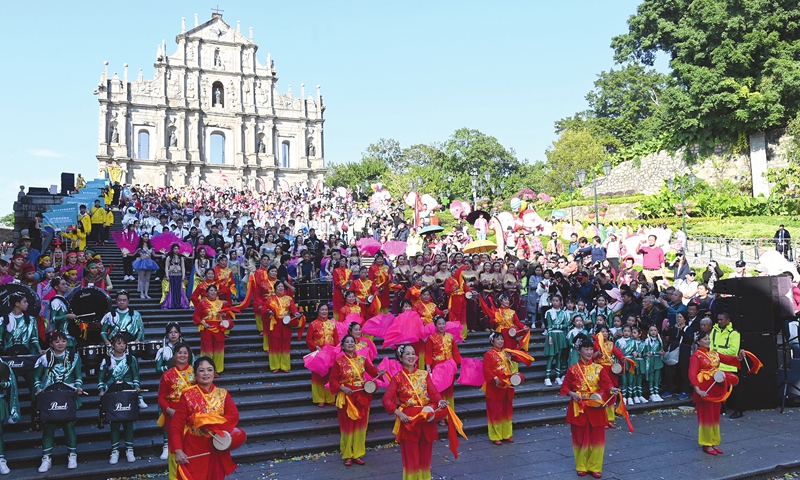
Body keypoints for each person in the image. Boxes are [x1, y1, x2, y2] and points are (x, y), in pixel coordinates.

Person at [382, 343, 451, 479]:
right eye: (407, 353)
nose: (411, 356)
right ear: (400, 358)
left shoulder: (424, 374)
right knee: (411, 458)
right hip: (409, 421)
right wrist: (399, 413)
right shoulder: (398, 377)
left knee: (425, 457)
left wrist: (440, 401)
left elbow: (434, 393)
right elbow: (386, 400)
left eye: (413, 353)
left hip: (426, 418)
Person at [171, 357, 240, 479]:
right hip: (194, 446)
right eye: (202, 370)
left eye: (209, 369)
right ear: (196, 374)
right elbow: (176, 425)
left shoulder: (223, 393)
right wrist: (178, 450)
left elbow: (233, 415)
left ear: (214, 373)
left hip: (216, 446)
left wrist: (210, 422)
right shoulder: (187, 395)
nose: (206, 373)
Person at [561, 333, 618, 478]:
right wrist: (572, 394)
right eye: (585, 349)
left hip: (596, 406)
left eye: (590, 349)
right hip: (579, 407)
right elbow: (565, 387)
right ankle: (581, 466)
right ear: (579, 351)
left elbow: (607, 383)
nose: (589, 352)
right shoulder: (573, 369)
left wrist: (611, 389)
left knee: (597, 437)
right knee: (580, 437)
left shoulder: (599, 368)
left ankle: (595, 467)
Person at [328, 334, 385, 466]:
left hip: (361, 396)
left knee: (361, 426)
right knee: (347, 426)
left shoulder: (362, 359)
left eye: (352, 342)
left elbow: (372, 370)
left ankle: (358, 453)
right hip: (346, 397)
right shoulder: (339, 362)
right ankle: (347, 454)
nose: (350, 344)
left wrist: (379, 373)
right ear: (342, 346)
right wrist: (342, 388)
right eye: (347, 342)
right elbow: (332, 381)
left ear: (355, 345)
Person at [689, 331, 746, 456]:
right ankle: (706, 443)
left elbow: (729, 359)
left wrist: (739, 357)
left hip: (716, 388)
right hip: (705, 389)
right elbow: (692, 374)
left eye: (709, 338)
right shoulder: (696, 356)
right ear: (698, 341)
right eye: (705, 339)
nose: (708, 341)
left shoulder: (714, 354)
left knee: (715, 416)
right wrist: (698, 390)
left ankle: (713, 442)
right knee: (706, 417)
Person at [34, 331, 83, 472]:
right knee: (49, 427)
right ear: (51, 344)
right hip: (50, 395)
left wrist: (78, 387)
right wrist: (38, 388)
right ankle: (46, 458)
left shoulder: (75, 357)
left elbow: (78, 375)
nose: (60, 344)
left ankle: (72, 455)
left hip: (67, 395)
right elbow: (37, 378)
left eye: (63, 341)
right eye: (56, 341)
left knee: (69, 426)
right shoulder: (44, 358)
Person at [97, 333, 142, 464]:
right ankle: (115, 451)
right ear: (112, 344)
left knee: (128, 423)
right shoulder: (106, 360)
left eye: (123, 344)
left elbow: (135, 376)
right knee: (114, 424)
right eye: (118, 343)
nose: (121, 346)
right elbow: (101, 378)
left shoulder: (131, 359)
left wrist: (137, 388)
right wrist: (101, 390)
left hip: (127, 393)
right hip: (112, 394)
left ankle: (129, 449)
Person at [482, 331, 533, 445]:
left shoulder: (506, 352)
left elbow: (519, 359)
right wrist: (495, 378)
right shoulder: (488, 354)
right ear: (492, 341)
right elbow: (486, 370)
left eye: (502, 339)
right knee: (495, 410)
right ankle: (496, 436)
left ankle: (506, 434)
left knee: (507, 410)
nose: (500, 341)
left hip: (508, 385)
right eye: (498, 339)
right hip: (495, 386)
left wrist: (513, 355)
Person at [157, 342, 194, 472]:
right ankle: (175, 475)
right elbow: (161, 397)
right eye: (180, 352)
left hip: (191, 415)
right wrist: (168, 410)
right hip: (173, 413)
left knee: (191, 445)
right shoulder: (167, 375)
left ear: (189, 355)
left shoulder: (196, 373)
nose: (182, 355)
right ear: (175, 355)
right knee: (174, 446)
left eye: (185, 353)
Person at [193, 285, 234, 375]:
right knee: (207, 350)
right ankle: (205, 370)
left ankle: (216, 370)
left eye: (215, 291)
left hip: (219, 329)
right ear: (206, 293)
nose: (213, 292)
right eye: (211, 290)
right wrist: (204, 323)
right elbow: (196, 315)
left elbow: (227, 317)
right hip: (207, 329)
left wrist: (224, 315)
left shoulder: (222, 303)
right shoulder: (202, 303)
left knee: (218, 350)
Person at [425, 315, 462, 413]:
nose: (441, 326)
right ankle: (442, 414)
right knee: (440, 389)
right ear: (435, 325)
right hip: (437, 367)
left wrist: (458, 363)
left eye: (443, 324)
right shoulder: (431, 338)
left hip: (450, 366)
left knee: (449, 390)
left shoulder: (450, 337)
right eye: (439, 324)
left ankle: (450, 413)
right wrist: (428, 366)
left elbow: (455, 351)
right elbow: (428, 353)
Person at [710, 312, 743, 419]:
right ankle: (721, 408)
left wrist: (717, 351)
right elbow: (710, 345)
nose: (719, 321)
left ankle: (738, 410)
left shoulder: (734, 334)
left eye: (721, 319)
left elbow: (733, 350)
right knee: (719, 388)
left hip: (730, 366)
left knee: (734, 390)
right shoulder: (714, 331)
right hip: (717, 364)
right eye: (718, 319)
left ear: (728, 320)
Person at [265, 281, 302, 373]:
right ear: (275, 288)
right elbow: (263, 308)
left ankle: (285, 366)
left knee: (286, 345)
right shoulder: (270, 299)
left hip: (286, 323)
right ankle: (275, 366)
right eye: (279, 287)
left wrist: (296, 313)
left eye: (282, 286)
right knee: (274, 345)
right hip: (275, 323)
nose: (281, 288)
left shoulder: (288, 298)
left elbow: (293, 308)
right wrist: (269, 312)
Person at [305, 304, 338, 406]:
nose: (324, 311)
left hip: (330, 354)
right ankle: (320, 399)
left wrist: (337, 351)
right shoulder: (313, 324)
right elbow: (308, 339)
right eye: (322, 310)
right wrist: (315, 346)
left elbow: (336, 340)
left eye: (326, 310)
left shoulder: (332, 324)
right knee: (318, 376)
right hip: (319, 354)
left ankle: (330, 398)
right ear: (318, 311)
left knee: (330, 375)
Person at [543, 295, 569, 386]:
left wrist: (557, 326)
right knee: (551, 356)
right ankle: (547, 377)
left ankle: (557, 377)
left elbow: (566, 325)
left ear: (560, 302)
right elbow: (549, 325)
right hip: (552, 335)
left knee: (559, 357)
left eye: (557, 301)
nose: (555, 302)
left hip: (560, 335)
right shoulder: (549, 312)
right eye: (553, 300)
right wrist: (549, 336)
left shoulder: (564, 313)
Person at [162, 244, 189, 309]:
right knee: (171, 290)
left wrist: (183, 276)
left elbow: (183, 267)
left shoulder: (181, 257)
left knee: (179, 290)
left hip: (179, 275)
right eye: (175, 249)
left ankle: (180, 303)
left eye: (177, 249)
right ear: (172, 249)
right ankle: (171, 303)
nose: (176, 250)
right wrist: (167, 275)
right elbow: (166, 267)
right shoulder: (169, 257)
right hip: (171, 275)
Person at [643, 325, 666, 402]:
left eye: (655, 330)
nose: (653, 332)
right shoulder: (647, 341)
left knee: (657, 378)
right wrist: (656, 352)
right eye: (651, 330)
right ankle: (651, 394)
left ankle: (656, 393)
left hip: (658, 360)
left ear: (657, 331)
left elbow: (661, 350)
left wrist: (662, 352)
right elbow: (648, 352)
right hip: (650, 361)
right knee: (651, 378)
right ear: (649, 332)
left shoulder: (660, 340)